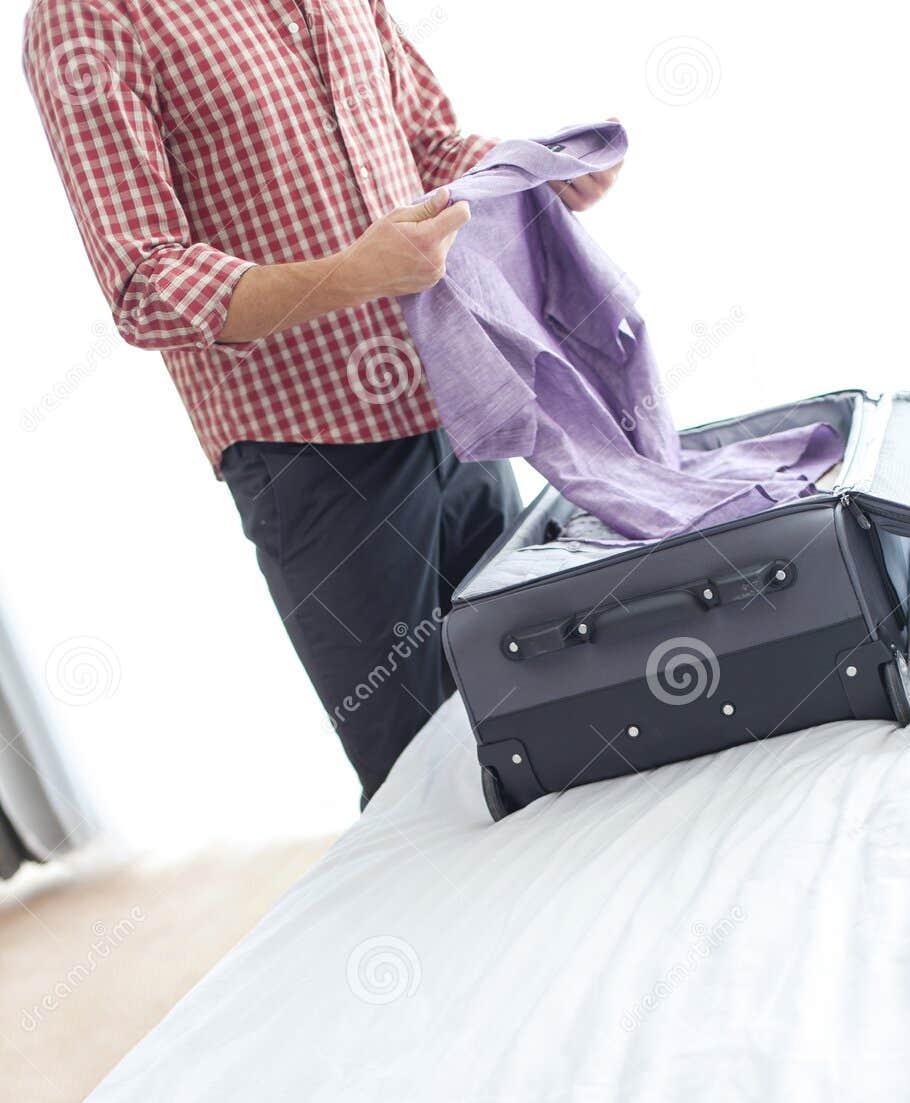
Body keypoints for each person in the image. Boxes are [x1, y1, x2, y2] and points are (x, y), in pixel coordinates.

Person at [24, 1, 621, 802]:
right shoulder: (86, 17)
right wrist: (355, 273)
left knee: (541, 727)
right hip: (313, 459)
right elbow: (144, 282)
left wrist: (528, 167)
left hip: (456, 401)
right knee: (423, 791)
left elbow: (421, 141)